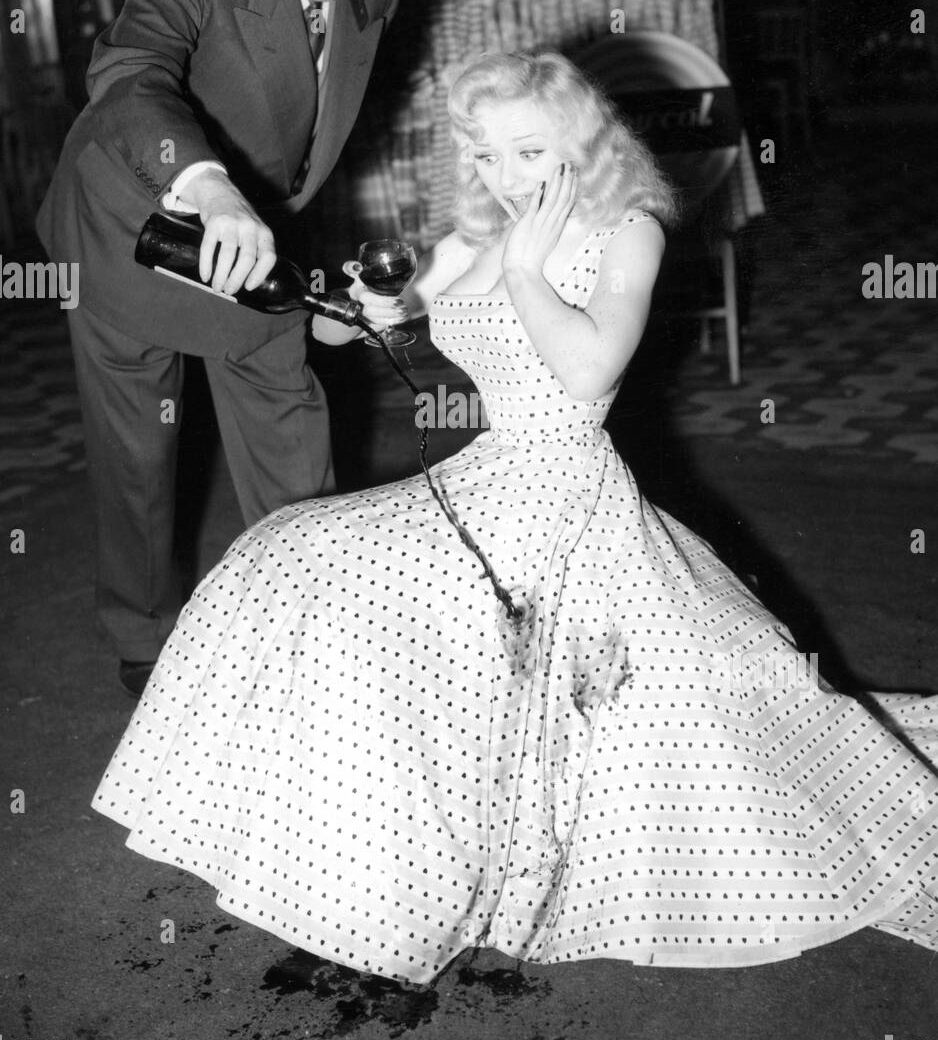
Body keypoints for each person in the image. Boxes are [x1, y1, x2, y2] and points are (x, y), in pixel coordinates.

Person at [92, 51, 938, 986]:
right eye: (485, 155)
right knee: (283, 549)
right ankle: (322, 837)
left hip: (566, 491)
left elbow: (588, 373)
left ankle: (413, 862)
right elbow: (341, 329)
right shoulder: (481, 229)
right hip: (488, 472)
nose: (505, 177)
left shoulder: (630, 230)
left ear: (581, 138)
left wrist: (528, 270)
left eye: (528, 151)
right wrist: (366, 303)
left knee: (358, 575)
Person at [36, 0, 402, 697]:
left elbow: (297, 147)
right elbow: (130, 70)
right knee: (137, 447)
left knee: (288, 406)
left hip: (250, 234)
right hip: (133, 221)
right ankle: (141, 632)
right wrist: (203, 183)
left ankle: (309, 609)